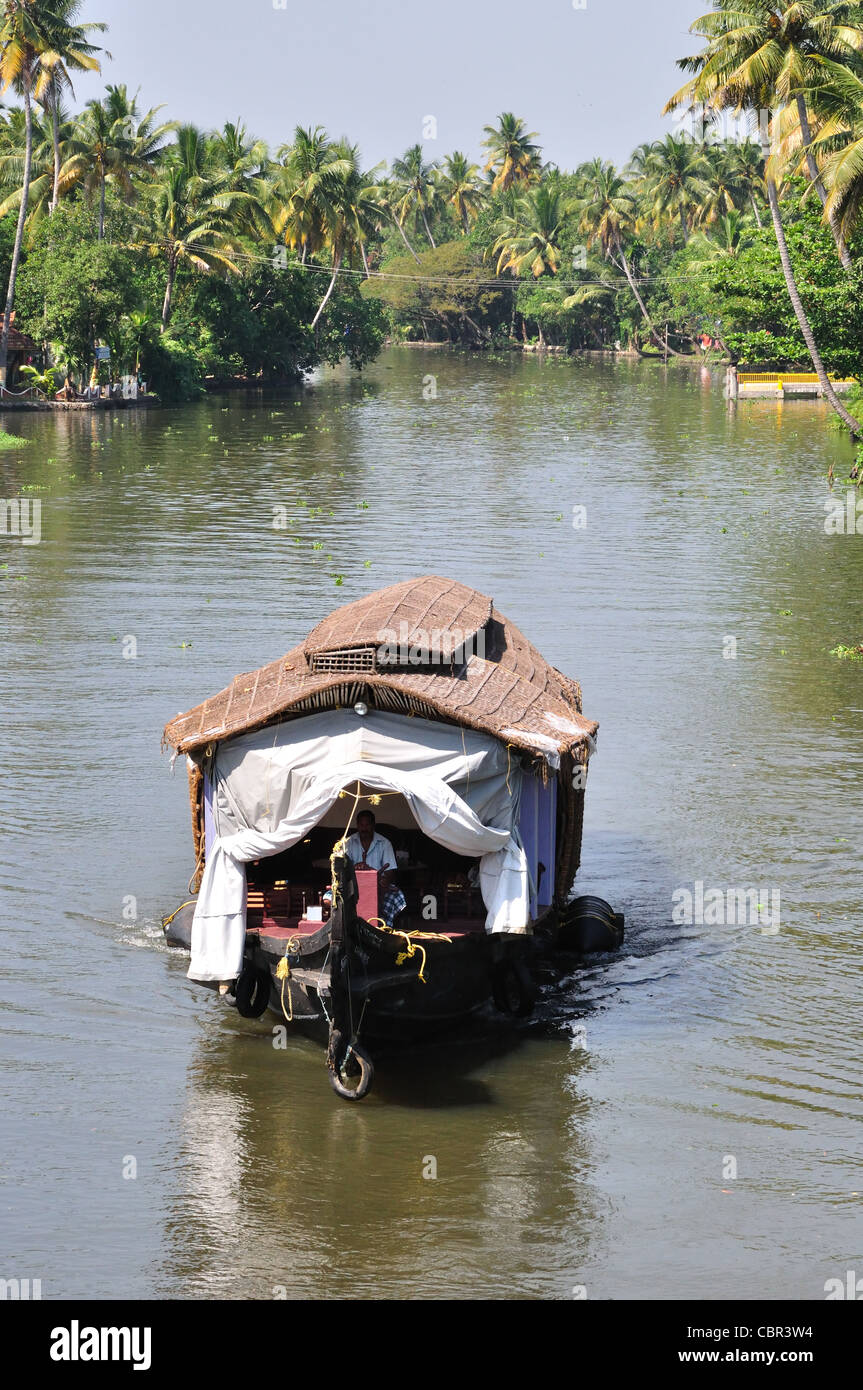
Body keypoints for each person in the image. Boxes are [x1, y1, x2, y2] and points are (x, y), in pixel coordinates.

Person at [345, 809, 406, 927]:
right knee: (333, 897)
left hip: (379, 886)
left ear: (373, 825)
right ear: (357, 826)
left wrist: (373, 874)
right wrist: (355, 869)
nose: (364, 828)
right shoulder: (348, 842)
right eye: (361, 825)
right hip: (354, 886)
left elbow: (390, 872)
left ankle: (382, 928)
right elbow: (342, 869)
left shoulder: (384, 843)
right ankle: (349, 927)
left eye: (367, 824)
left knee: (394, 896)